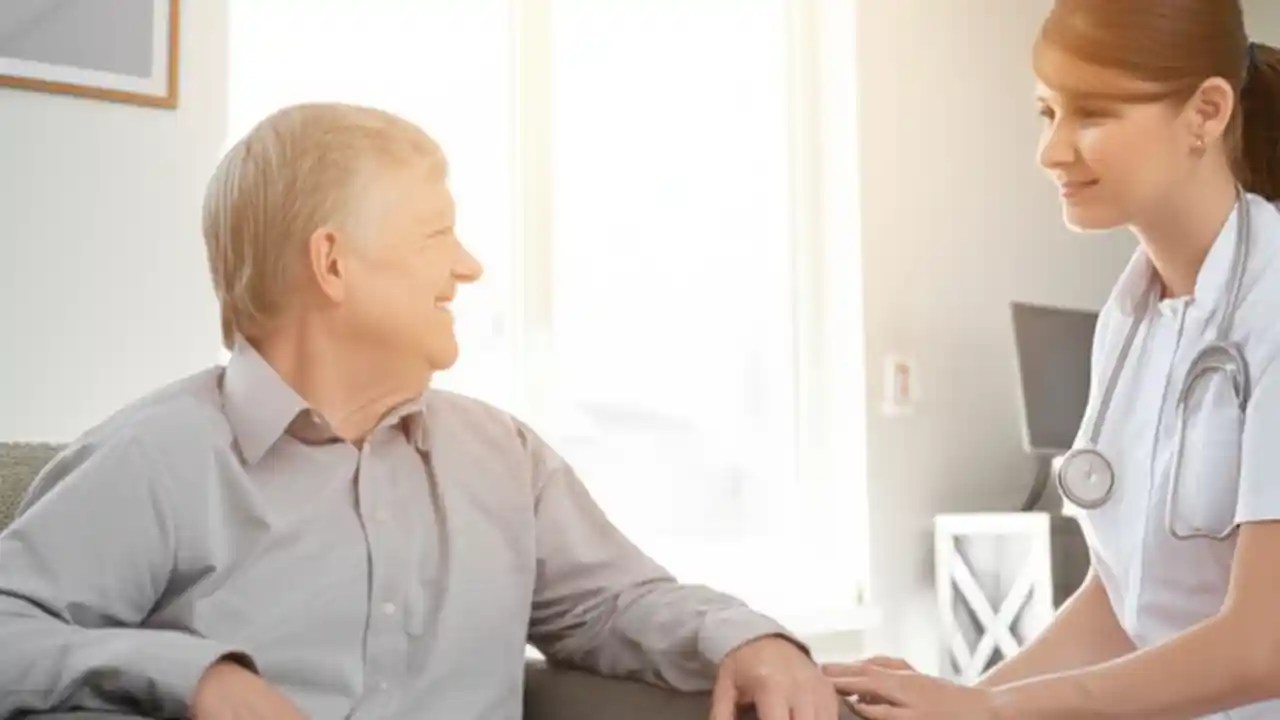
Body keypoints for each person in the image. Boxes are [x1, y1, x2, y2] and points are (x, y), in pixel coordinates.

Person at [0, 103, 840, 720]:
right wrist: (199, 679)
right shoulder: (159, 457)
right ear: (333, 263)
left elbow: (611, 606)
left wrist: (747, 639)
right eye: (437, 234)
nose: (467, 266)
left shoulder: (502, 456)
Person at [823, 1, 1280, 718]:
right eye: (1048, 112)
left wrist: (994, 713)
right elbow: (1120, 602)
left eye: (1092, 113)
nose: (1051, 150)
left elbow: (1264, 644)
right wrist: (958, 700)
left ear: (1206, 112)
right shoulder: (1132, 320)